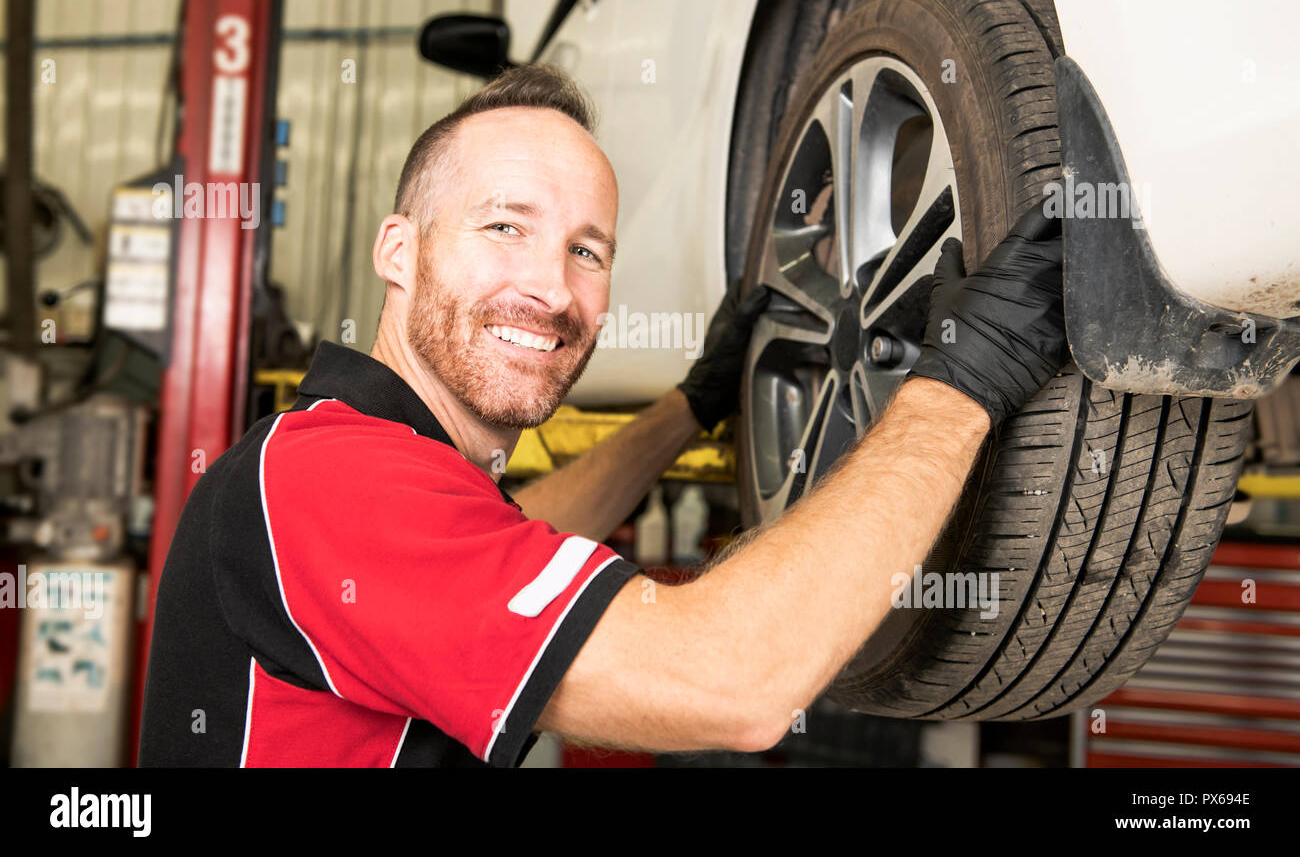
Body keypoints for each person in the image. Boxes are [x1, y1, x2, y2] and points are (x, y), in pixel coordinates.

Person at [138, 63, 1067, 766]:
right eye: (505, 227)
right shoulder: (332, 481)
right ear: (399, 250)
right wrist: (959, 387)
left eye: (588, 251)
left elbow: (511, 540)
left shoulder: (359, 465)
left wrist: (688, 409)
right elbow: (732, 684)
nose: (551, 288)